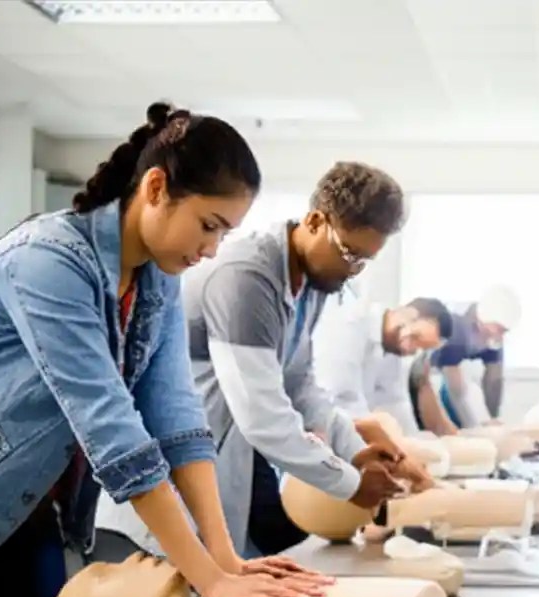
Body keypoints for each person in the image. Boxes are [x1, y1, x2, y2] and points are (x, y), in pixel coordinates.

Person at [0, 103, 326, 597]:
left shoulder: (155, 278)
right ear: (157, 188)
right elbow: (117, 437)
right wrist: (209, 579)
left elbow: (177, 422)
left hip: (12, 513)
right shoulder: (48, 261)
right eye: (209, 226)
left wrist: (224, 558)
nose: (213, 250)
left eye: (225, 233)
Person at [95, 161, 417, 561]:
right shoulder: (246, 278)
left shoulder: (312, 282)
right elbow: (262, 415)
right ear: (316, 221)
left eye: (364, 261)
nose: (351, 271)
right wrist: (351, 484)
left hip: (215, 486)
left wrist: (354, 449)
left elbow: (300, 385)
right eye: (350, 253)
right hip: (159, 499)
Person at [312, 295, 453, 433]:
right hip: (316, 428)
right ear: (406, 313)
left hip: (347, 431)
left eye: (419, 348)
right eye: (415, 337)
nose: (409, 349)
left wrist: (417, 442)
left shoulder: (393, 350)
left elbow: (395, 404)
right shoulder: (353, 324)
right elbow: (338, 400)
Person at [434, 285, 521, 428]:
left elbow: (494, 379)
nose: (499, 335)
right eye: (498, 329)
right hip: (431, 376)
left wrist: (492, 419)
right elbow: (455, 387)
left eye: (504, 331)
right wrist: (475, 428)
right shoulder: (456, 325)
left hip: (453, 374)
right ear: (481, 321)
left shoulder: (494, 330)